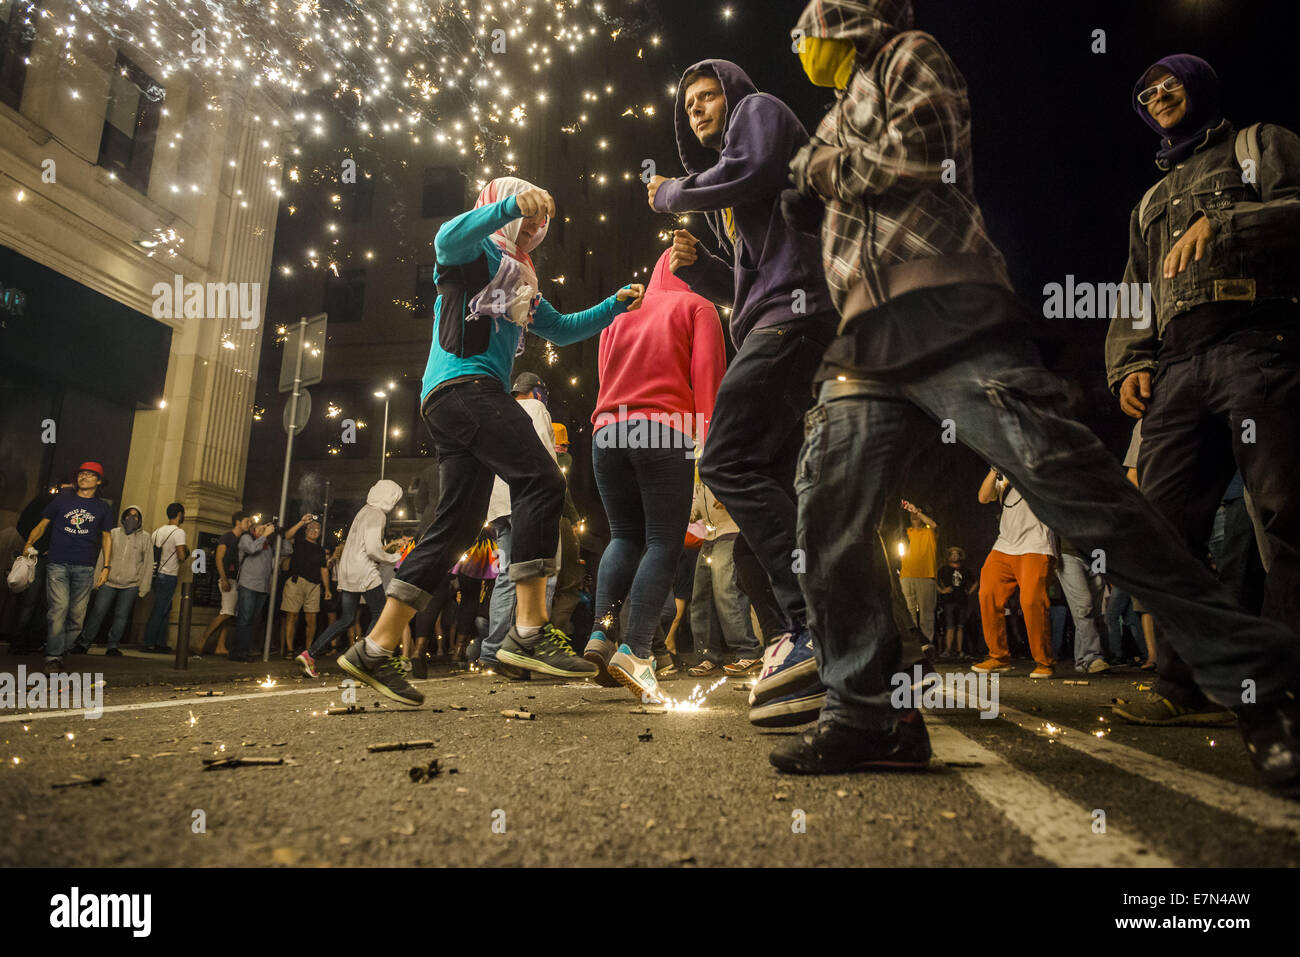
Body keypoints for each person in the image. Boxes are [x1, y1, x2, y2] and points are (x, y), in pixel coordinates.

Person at [775, 0, 1300, 793]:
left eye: (813, 19)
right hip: (864, 337)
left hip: (950, 309)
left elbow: (912, 157)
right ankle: (867, 710)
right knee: (827, 513)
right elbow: (799, 181)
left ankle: (1266, 682)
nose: (801, 33)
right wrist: (808, 176)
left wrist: (815, 173)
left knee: (1079, 494)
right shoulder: (839, 108)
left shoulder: (909, 54)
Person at [331, 175, 645, 708]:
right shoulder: (470, 251)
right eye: (529, 217)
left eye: (539, 224)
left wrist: (614, 305)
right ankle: (527, 630)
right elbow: (444, 239)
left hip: (456, 402)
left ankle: (375, 648)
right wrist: (505, 206)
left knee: (453, 528)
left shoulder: (521, 284)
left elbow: (563, 329)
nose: (533, 229)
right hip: (466, 389)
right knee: (543, 478)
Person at [1105, 53, 1300, 725]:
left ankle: (1285, 680)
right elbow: (1136, 289)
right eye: (1147, 93)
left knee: (1282, 511)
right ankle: (1182, 680)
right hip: (1178, 367)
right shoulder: (1149, 202)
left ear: (1201, 89)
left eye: (1171, 85)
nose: (1159, 97)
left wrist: (1230, 222)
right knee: (1158, 528)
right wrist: (1131, 358)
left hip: (1257, 344)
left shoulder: (1259, 145)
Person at [647, 58, 838, 720]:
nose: (700, 109)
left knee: (726, 458)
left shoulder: (759, 114)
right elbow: (745, 285)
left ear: (731, 92)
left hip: (795, 316)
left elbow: (751, 171)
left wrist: (674, 192)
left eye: (708, 96)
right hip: (779, 314)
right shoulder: (734, 192)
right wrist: (704, 272)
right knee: (783, 486)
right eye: (690, 103)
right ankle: (830, 634)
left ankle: (816, 629)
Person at [582, 248, 727, 701]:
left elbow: (604, 374)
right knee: (664, 541)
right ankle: (638, 650)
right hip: (665, 430)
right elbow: (708, 374)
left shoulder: (621, 309)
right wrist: (709, 437)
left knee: (623, 536)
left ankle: (602, 634)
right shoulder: (698, 307)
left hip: (606, 432)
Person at [481, 372, 561, 677]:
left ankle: (492, 651)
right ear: (537, 392)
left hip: (500, 506)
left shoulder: (496, 410)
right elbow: (543, 453)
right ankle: (529, 647)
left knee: (505, 578)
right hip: (530, 500)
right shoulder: (536, 409)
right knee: (543, 574)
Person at [297, 483, 402, 677]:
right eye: (395, 499)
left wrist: (387, 552)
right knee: (381, 613)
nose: (395, 503)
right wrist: (394, 557)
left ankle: (310, 654)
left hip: (349, 568)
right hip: (364, 570)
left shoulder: (364, 510)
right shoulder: (377, 514)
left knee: (346, 619)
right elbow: (372, 550)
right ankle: (360, 659)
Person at [23, 463, 113, 673]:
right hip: (58, 563)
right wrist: (29, 543)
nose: (84, 477)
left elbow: (107, 537)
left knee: (77, 618)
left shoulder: (102, 508)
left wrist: (107, 566)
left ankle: (59, 651)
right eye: (82, 474)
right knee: (58, 609)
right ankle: (53, 657)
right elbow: (42, 524)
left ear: (98, 481)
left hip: (85, 566)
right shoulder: (62, 500)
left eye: (90, 475)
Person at [686, 471, 766, 687]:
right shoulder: (696, 452)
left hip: (731, 529)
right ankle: (707, 656)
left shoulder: (718, 444)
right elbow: (698, 497)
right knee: (700, 596)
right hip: (709, 535)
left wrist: (729, 493)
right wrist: (686, 512)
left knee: (726, 591)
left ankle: (749, 652)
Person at [974, 470, 1056, 678]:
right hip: (1004, 546)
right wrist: (994, 470)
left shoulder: (1039, 473)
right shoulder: (1006, 482)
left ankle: (1044, 661)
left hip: (1036, 545)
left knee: (1031, 601)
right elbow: (983, 497)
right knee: (987, 593)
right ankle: (999, 657)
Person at [73, 505, 150, 655]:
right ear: (123, 517)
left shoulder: (145, 538)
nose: (131, 519)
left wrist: (144, 586)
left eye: (135, 516)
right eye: (129, 515)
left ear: (140, 520)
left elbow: (147, 563)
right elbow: (103, 556)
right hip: (109, 581)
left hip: (131, 584)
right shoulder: (113, 533)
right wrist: (97, 578)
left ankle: (113, 645)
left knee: (121, 616)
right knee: (98, 612)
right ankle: (84, 643)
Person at [234, 514, 309, 662]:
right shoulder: (246, 538)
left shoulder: (268, 545)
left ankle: (246, 650)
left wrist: (282, 536)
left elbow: (287, 551)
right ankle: (237, 652)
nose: (265, 528)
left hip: (263, 587)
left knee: (253, 620)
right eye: (261, 526)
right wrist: (264, 536)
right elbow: (251, 549)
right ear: (254, 530)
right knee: (245, 618)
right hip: (248, 584)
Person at [199, 512, 251, 655]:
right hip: (228, 578)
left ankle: (220, 646)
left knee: (230, 615)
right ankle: (202, 640)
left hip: (236, 579)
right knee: (226, 613)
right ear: (238, 522)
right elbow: (219, 558)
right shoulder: (228, 537)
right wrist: (224, 578)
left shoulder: (242, 539)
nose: (249, 524)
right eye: (247, 521)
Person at [1055, 539, 1110, 674]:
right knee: (1084, 606)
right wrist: (1054, 557)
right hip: (1069, 553)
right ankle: (1092, 657)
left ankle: (1082, 661)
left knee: (1096, 611)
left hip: (1098, 553)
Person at [141, 502, 190, 653]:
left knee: (165, 608)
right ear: (180, 515)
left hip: (156, 575)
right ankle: (149, 642)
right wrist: (187, 551)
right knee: (160, 609)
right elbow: (181, 556)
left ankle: (160, 642)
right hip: (169, 575)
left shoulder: (157, 531)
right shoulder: (178, 532)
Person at [281, 520, 329, 658]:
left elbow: (324, 569)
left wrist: (327, 589)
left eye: (317, 529)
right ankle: (289, 649)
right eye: (312, 528)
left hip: (314, 585)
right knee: (292, 616)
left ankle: (308, 651)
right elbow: (287, 536)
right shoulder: (299, 542)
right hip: (297, 581)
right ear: (306, 530)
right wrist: (301, 522)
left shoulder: (320, 549)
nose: (315, 531)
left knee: (312, 618)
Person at [898, 500, 939, 644]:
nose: (914, 516)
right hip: (906, 576)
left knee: (926, 615)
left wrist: (916, 511)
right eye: (912, 514)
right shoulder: (906, 532)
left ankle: (927, 647)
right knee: (909, 616)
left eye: (917, 513)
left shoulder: (929, 531)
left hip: (926, 576)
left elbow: (934, 525)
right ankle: (915, 649)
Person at [936, 547, 976, 659]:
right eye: (952, 554)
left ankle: (959, 651)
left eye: (956, 554)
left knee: (960, 626)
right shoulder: (944, 569)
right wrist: (942, 591)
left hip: (962, 600)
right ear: (949, 556)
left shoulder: (965, 570)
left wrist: (969, 591)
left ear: (960, 556)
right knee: (950, 626)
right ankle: (947, 650)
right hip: (949, 601)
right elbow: (935, 581)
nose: (954, 556)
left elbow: (975, 582)